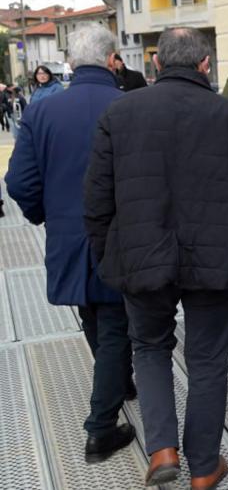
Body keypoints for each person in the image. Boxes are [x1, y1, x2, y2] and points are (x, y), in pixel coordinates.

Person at [84, 27, 228, 489]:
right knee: (208, 358)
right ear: (205, 66)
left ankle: (163, 450)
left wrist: (111, 254)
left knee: (149, 348)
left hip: (141, 257)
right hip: (216, 261)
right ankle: (205, 467)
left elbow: (96, 201)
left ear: (155, 64)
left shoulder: (120, 114)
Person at [5, 26, 135, 464]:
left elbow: (19, 181)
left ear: (71, 62)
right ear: (112, 58)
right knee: (116, 320)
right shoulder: (129, 106)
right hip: (121, 234)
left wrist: (49, 216)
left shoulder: (42, 111)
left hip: (68, 234)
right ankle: (101, 428)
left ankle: (117, 380)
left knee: (95, 314)